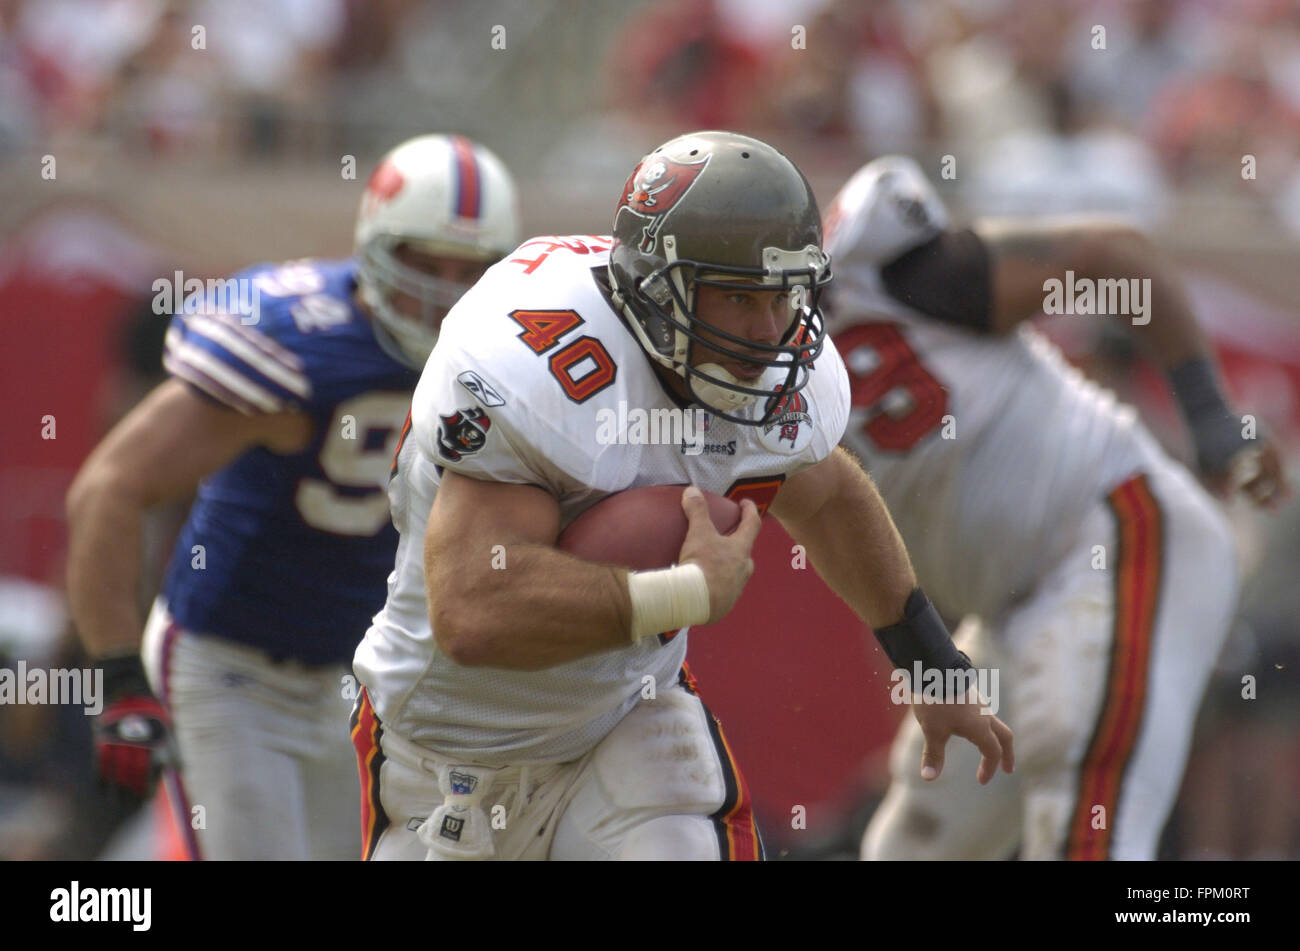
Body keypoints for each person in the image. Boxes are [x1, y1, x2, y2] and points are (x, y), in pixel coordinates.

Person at [350, 131, 1013, 862]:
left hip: (623, 718)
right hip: (447, 744)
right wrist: (686, 594)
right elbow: (472, 611)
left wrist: (931, 664)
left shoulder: (769, 378)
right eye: (739, 296)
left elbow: (827, 496)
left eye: (783, 295)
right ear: (657, 289)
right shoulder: (536, 362)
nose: (770, 330)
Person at [65, 134, 520, 860]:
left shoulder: (503, 362)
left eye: (469, 270)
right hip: (232, 665)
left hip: (365, 680)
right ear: (375, 249)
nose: (444, 291)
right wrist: (119, 677)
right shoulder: (301, 342)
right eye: (425, 263)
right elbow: (107, 487)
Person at [821, 156, 1289, 861]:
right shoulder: (757, 389)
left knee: (1084, 828)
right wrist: (929, 664)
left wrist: (1209, 415)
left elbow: (1115, 254)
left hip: (1120, 532)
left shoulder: (899, 278)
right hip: (1010, 604)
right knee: (915, 842)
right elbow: (864, 539)